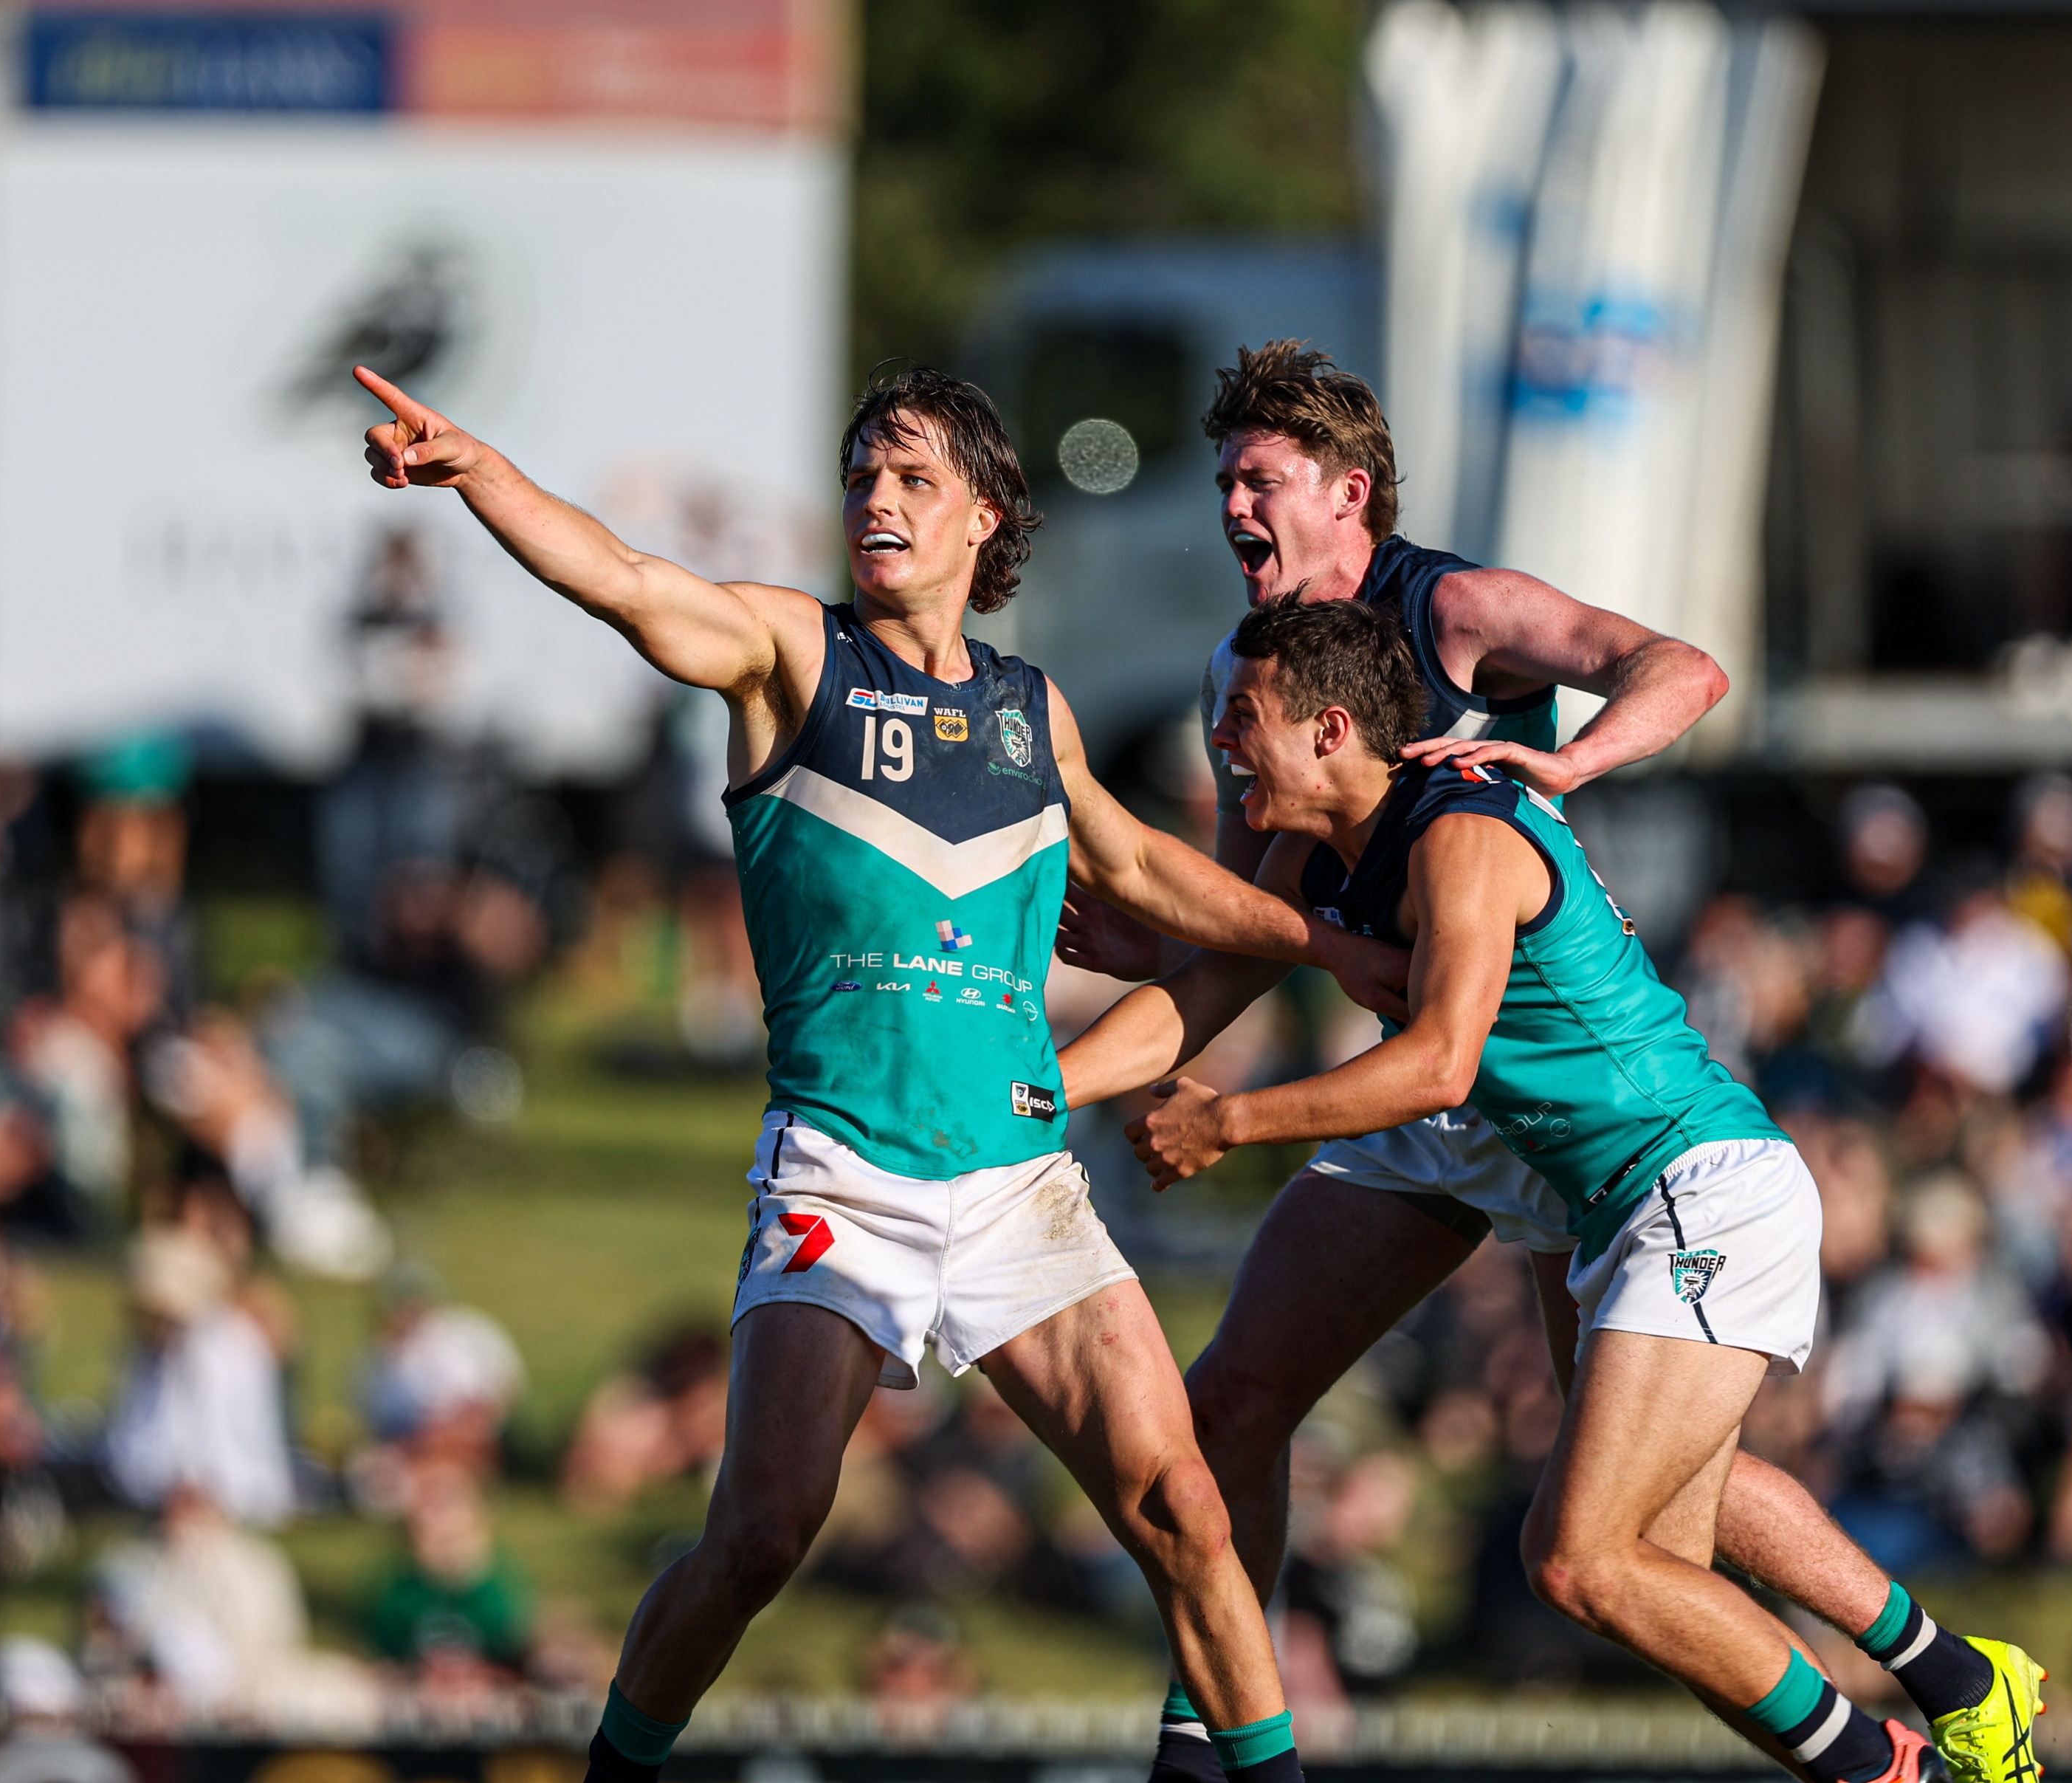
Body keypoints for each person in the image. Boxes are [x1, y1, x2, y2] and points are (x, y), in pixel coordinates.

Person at [357, 359, 1411, 1783]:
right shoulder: (792, 654)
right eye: (862, 474)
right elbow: (623, 581)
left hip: (1016, 1183)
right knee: (763, 1534)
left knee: (1186, 1508)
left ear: (984, 518)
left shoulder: (1036, 713)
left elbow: (1147, 865)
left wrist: (1325, 946)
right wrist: (481, 473)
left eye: (914, 478)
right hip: (842, 1180)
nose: (877, 498)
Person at [1057, 344, 2042, 1783]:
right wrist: (1061, 1060)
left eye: (1258, 479)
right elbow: (1253, 930)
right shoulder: (1255, 674)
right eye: (1222, 482)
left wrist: (1574, 769)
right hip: (1480, 1091)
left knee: (1619, 1537)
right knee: (1245, 1407)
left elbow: (1682, 668)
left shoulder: (1455, 620)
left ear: (1351, 491)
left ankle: (1903, 1736)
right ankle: (1220, 1748)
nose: (1231, 508)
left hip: (1555, 1105)